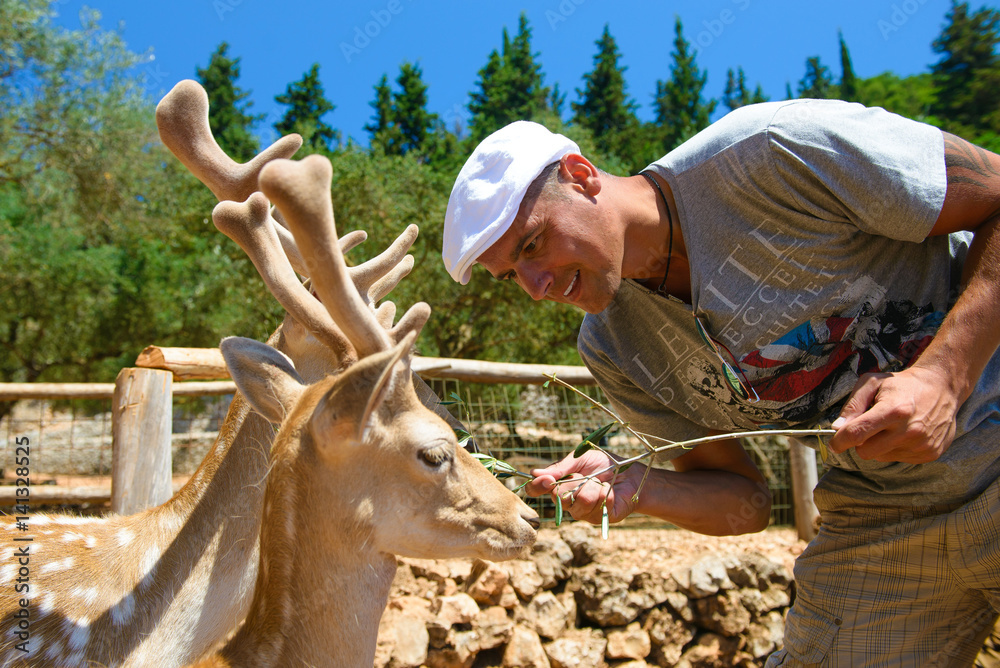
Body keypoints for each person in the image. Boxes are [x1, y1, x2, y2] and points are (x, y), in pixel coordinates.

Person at [441, 100, 1000, 665]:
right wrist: (637, 490)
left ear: (582, 176)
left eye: (532, 244)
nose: (535, 288)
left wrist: (946, 374)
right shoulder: (612, 348)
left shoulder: (772, 152)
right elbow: (748, 503)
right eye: (512, 275)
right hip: (883, 517)